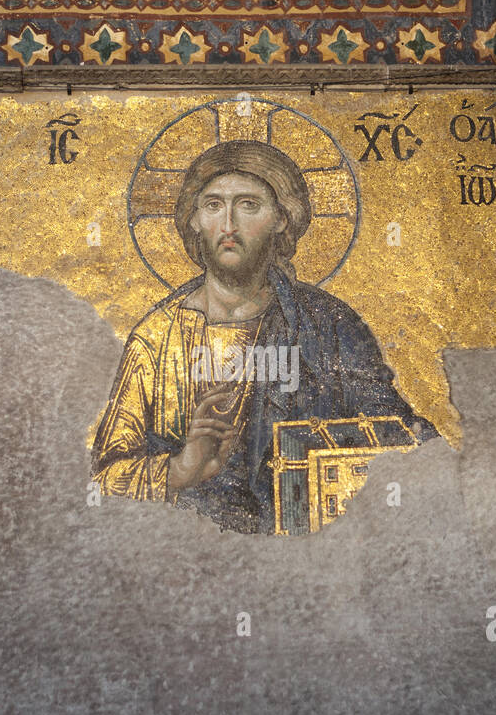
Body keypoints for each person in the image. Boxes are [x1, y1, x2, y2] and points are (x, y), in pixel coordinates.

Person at [93, 139, 436, 534]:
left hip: (307, 553)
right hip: (186, 554)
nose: (228, 225)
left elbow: (401, 439)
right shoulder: (156, 339)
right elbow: (103, 479)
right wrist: (181, 469)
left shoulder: (329, 326)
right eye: (213, 205)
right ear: (194, 219)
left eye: (248, 205)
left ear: (282, 218)